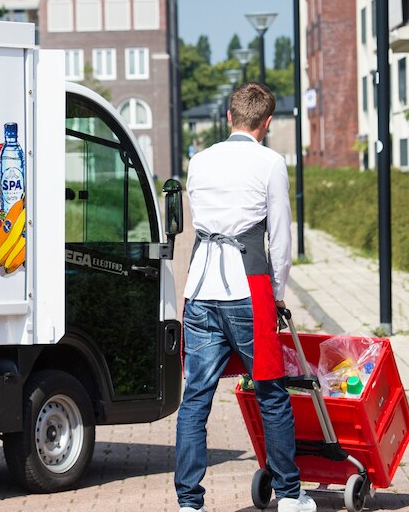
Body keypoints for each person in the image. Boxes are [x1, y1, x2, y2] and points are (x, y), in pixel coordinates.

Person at [175, 82, 312, 512]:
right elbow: (281, 239)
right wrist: (279, 293)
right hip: (247, 290)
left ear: (230, 117)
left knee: (196, 398)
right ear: (267, 123)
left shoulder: (199, 161)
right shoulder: (271, 162)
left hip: (199, 288)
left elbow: (198, 221)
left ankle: (189, 503)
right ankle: (290, 496)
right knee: (272, 393)